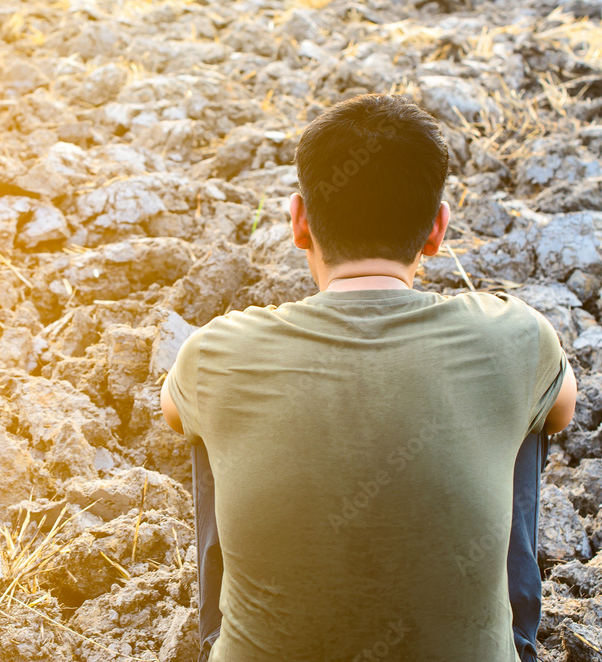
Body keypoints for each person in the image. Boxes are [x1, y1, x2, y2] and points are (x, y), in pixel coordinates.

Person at [160, 93, 578, 662]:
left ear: (300, 222)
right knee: (529, 407)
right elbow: (563, 412)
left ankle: (221, 642)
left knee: (211, 421)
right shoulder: (515, 335)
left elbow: (172, 413)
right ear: (437, 229)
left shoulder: (216, 350)